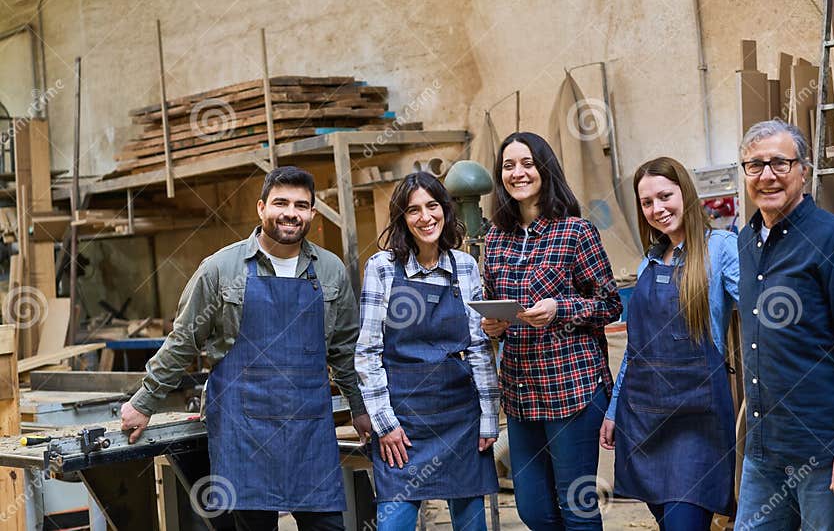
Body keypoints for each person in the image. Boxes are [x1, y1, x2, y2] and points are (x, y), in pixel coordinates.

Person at [120, 166, 370, 531]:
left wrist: (360, 408)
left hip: (309, 431)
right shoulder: (220, 268)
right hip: (244, 429)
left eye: (301, 205)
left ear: (312, 214)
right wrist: (144, 402)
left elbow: (345, 351)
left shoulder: (330, 271)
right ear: (261, 208)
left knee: (328, 525)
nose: (290, 212)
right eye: (281, 202)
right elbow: (183, 341)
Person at [734, 119, 834, 529]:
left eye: (780, 163)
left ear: (804, 170)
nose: (767, 176)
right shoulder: (747, 241)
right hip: (764, 449)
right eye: (755, 165)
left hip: (824, 452)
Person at [481, 132, 622, 531]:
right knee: (533, 509)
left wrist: (562, 308)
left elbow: (610, 303)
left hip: (572, 389)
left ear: (544, 169)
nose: (517, 173)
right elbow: (494, 303)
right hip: (521, 393)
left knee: (575, 506)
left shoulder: (576, 232)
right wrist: (493, 325)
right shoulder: (494, 238)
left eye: (527, 163)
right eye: (508, 165)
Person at [599, 156, 738, 530]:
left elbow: (763, 315)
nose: (657, 209)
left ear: (685, 194)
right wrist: (614, 411)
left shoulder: (722, 248)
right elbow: (635, 349)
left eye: (665, 196)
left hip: (698, 417)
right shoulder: (648, 263)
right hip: (644, 416)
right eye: (647, 203)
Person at [355, 172, 499, 531]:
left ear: (445, 211)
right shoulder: (383, 268)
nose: (425, 217)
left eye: (432, 206)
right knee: (394, 525)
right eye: (413, 210)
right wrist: (385, 424)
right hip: (403, 421)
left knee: (471, 525)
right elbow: (368, 352)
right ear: (402, 218)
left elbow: (479, 348)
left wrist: (488, 416)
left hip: (459, 417)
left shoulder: (464, 267)